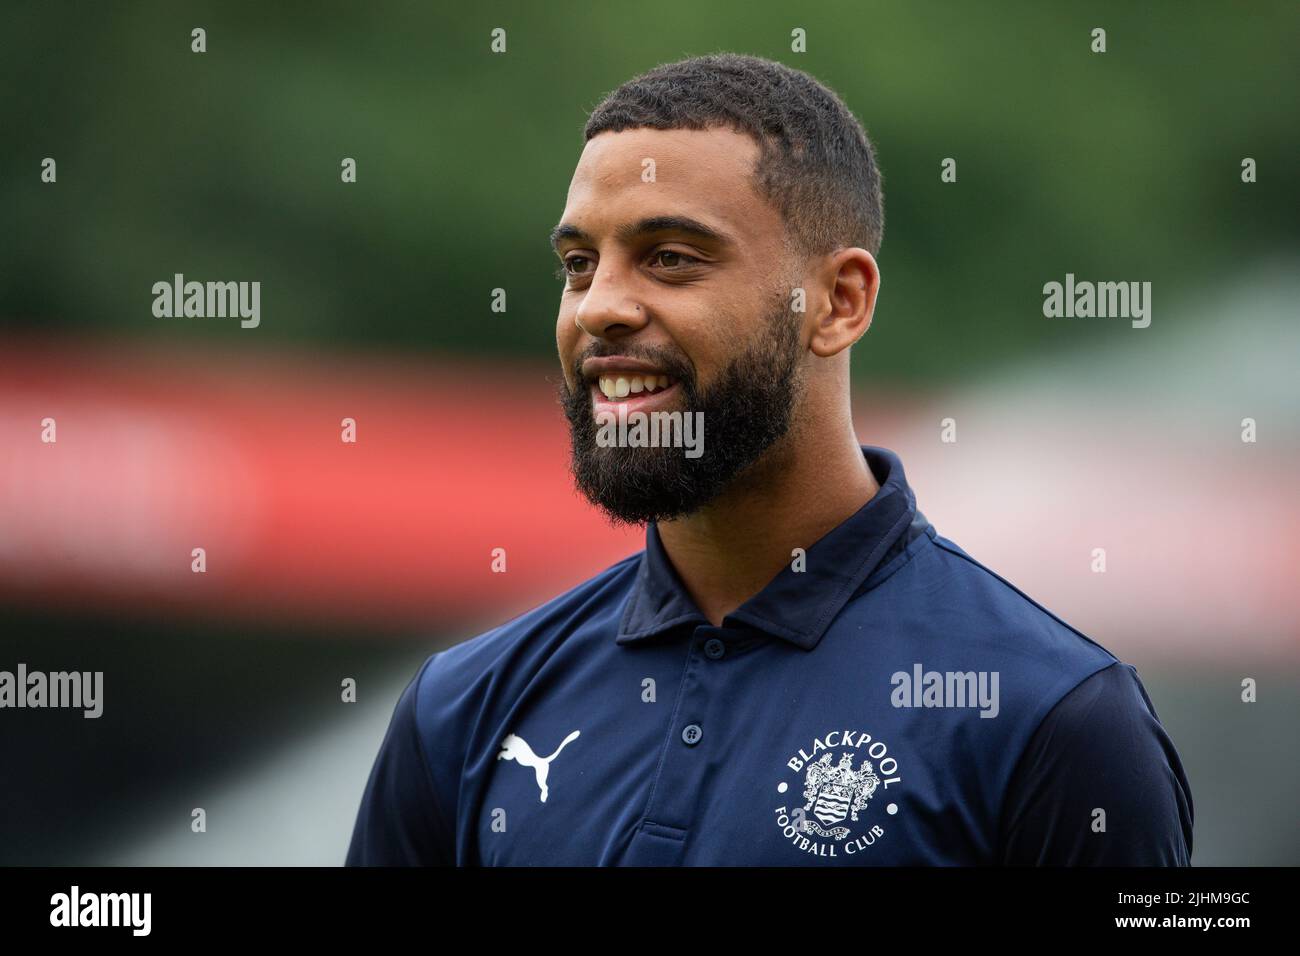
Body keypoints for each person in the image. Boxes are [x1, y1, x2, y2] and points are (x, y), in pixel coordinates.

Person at [346, 52, 1192, 866]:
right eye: (578, 265)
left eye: (670, 257)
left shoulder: (1056, 718)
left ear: (839, 301)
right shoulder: (461, 706)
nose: (599, 308)